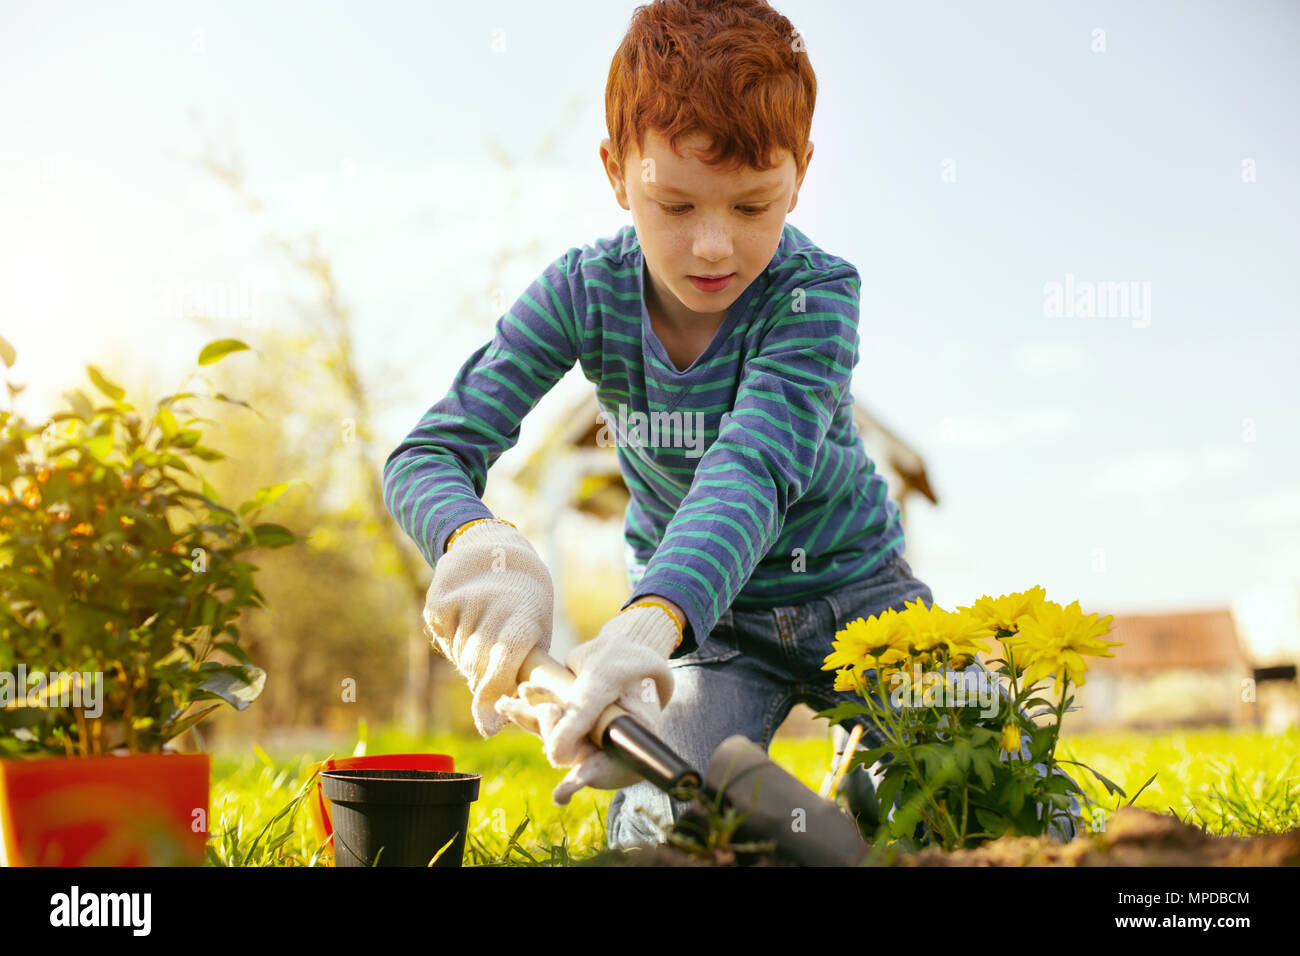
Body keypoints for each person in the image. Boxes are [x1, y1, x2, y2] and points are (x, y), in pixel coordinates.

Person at [382, 0, 1078, 851]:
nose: (713, 247)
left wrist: (641, 628)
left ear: (801, 174)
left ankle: (872, 784)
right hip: (710, 637)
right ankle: (805, 802)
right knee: (657, 830)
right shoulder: (582, 295)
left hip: (862, 599)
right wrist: (481, 549)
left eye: (753, 208)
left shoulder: (816, 296)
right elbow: (427, 455)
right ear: (615, 171)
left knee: (1007, 794)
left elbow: (747, 473)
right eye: (674, 205)